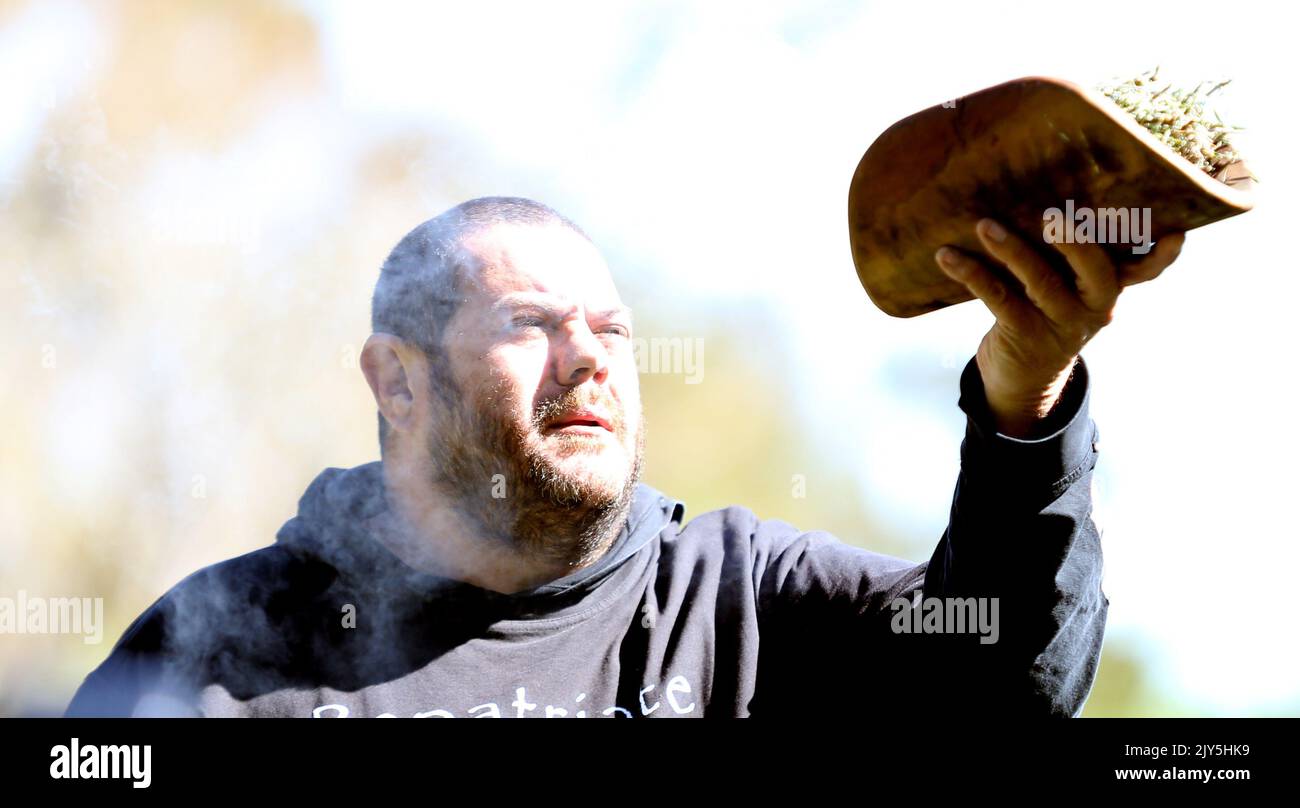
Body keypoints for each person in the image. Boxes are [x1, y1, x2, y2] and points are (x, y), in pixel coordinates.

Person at [64, 196, 1185, 718]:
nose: (586, 360)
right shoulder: (218, 651)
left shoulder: (742, 601)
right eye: (531, 325)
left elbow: (1002, 672)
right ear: (397, 381)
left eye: (610, 331)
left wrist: (1025, 405)